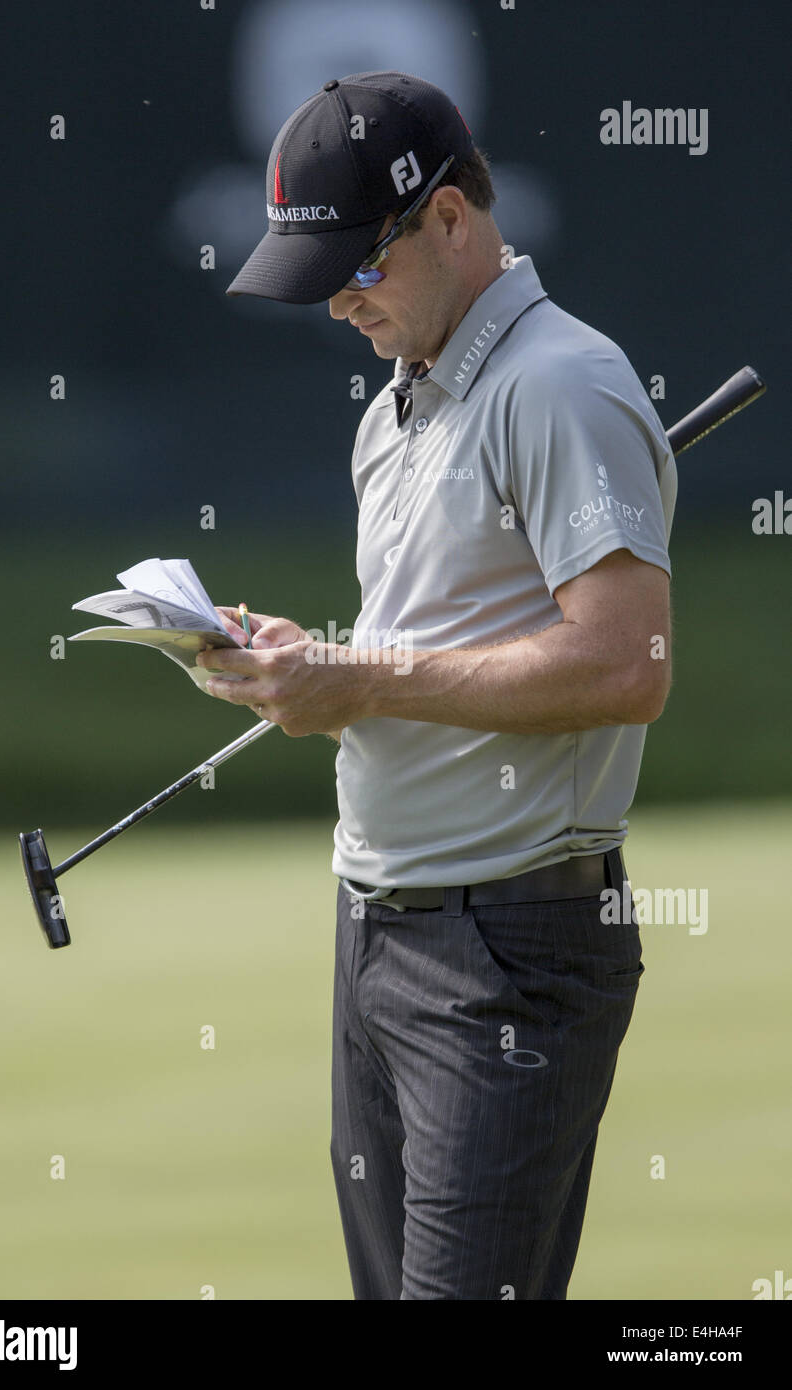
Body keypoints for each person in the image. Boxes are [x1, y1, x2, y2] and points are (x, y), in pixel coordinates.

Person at [200, 70, 677, 1300]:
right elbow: (437, 639)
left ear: (452, 222)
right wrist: (313, 660)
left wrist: (356, 677)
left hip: (505, 945)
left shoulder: (559, 382)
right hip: (377, 931)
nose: (337, 307)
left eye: (356, 269)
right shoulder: (394, 413)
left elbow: (626, 664)